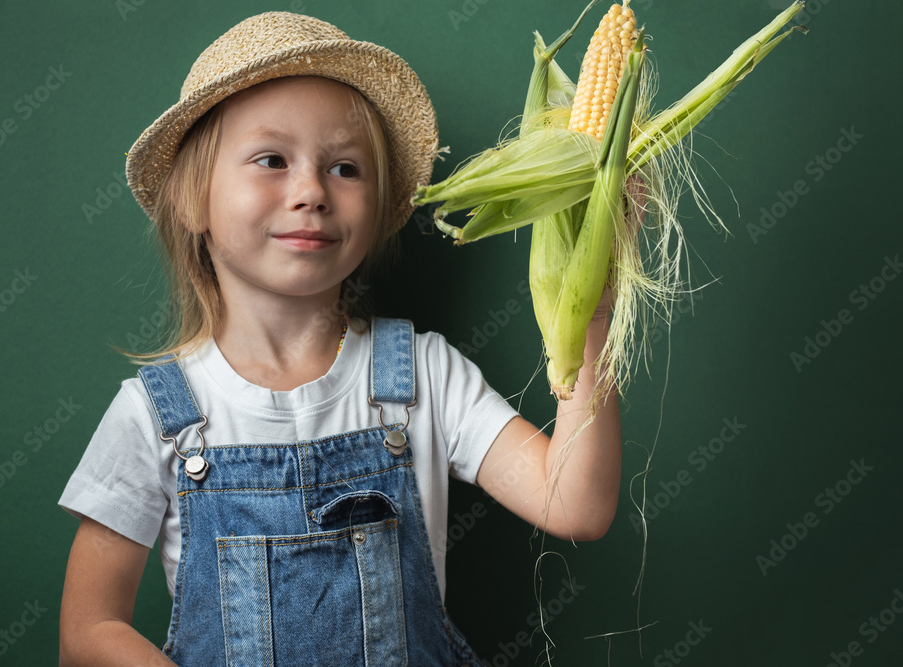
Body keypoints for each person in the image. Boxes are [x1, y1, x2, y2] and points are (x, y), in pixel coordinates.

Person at [58, 11, 621, 666]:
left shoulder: (425, 375)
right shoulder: (156, 413)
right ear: (193, 200)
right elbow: (87, 631)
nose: (311, 191)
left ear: (381, 209)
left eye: (346, 168)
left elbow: (577, 503)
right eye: (272, 159)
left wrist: (592, 315)